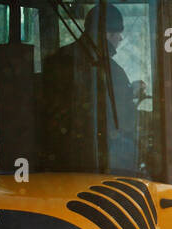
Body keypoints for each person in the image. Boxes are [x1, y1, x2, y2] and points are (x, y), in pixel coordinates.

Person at [40, 4, 138, 173]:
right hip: (100, 163)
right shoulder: (113, 72)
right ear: (107, 34)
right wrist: (133, 94)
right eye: (118, 33)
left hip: (55, 160)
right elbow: (121, 122)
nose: (121, 38)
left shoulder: (56, 60)